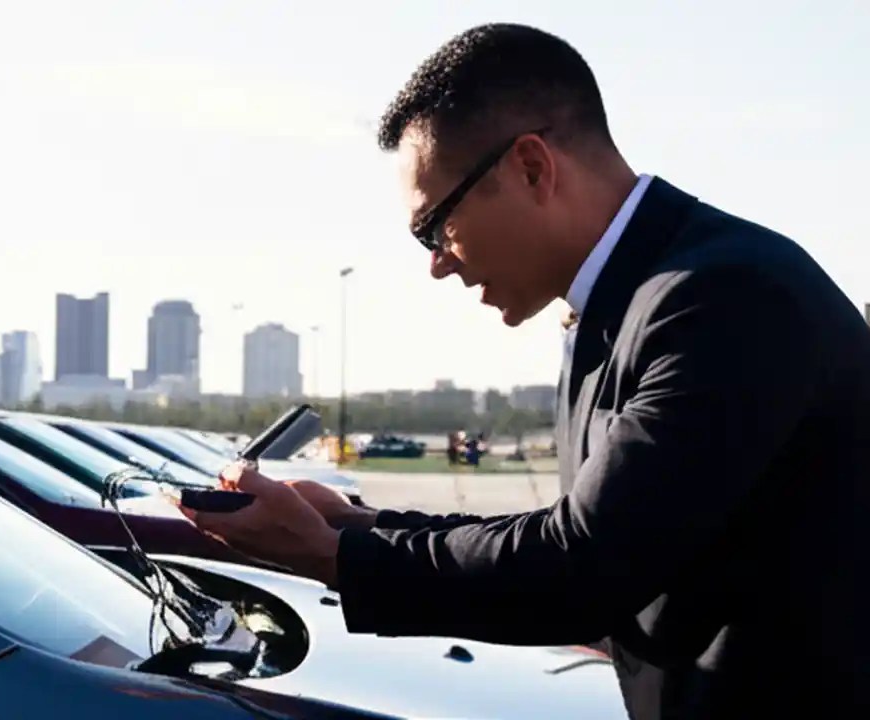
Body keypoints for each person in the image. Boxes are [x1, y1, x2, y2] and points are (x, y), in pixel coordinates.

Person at [179, 22, 870, 719]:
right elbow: (579, 527)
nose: (437, 263)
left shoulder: (723, 298)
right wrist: (360, 527)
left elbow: (583, 568)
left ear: (532, 167)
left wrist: (331, 555)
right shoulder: (631, 298)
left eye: (435, 227)